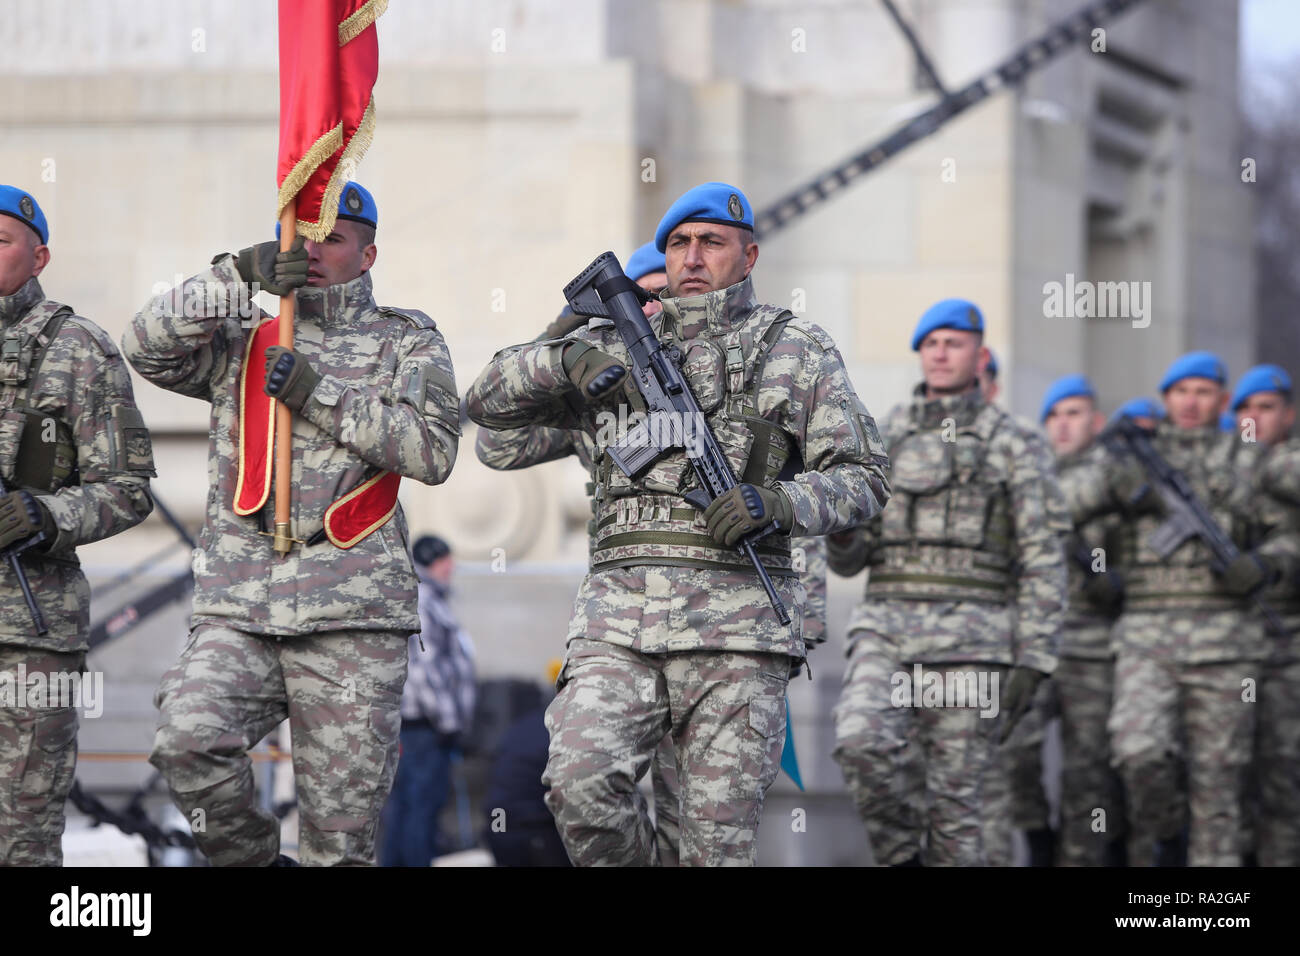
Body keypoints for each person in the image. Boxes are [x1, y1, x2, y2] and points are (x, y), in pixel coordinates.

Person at [467, 181, 890, 865]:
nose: (692, 257)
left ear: (748, 256)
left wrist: (778, 503)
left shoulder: (795, 348)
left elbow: (865, 477)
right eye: (679, 244)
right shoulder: (608, 344)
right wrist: (563, 351)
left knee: (711, 847)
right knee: (578, 786)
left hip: (737, 635)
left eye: (711, 242)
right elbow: (485, 411)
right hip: (617, 625)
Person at [124, 181, 460, 866]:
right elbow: (145, 344)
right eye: (299, 236)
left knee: (340, 840)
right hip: (241, 606)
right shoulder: (243, 338)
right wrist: (237, 273)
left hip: (353, 615)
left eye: (330, 238)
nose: (310, 251)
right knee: (187, 740)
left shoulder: (405, 340)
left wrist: (316, 392)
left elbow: (432, 451)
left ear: (367, 256)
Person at [828, 298, 1069, 866]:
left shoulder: (1016, 442)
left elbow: (1043, 557)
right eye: (931, 344)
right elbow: (850, 563)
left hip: (975, 644)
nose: (940, 353)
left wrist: (1035, 658)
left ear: (980, 356)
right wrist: (842, 535)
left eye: (953, 343)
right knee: (859, 743)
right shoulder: (881, 436)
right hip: (886, 631)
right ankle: (901, 858)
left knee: (956, 810)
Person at [1070, 351, 1298, 865]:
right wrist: (1112, 487)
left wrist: (1267, 564)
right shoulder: (1131, 457)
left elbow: (1289, 533)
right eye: (1181, 392)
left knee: (1219, 788)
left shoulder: (1248, 459)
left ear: (1223, 400)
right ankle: (1168, 831)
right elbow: (1058, 506)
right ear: (1165, 398)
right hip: (1146, 642)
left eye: (1203, 392)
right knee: (1137, 751)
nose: (1191, 402)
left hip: (1227, 648)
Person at [0, 185, 155, 866]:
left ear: (39, 258)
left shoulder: (79, 348)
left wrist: (46, 515)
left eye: (0, 241)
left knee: (22, 836)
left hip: (27, 635)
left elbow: (128, 489)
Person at [1038, 375, 1128, 866]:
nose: (1063, 424)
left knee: (1087, 774)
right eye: (1054, 415)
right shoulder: (1028, 472)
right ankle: (1035, 838)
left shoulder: (1117, 477)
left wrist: (1104, 572)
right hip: (1033, 642)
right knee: (1011, 753)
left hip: (1092, 644)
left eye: (1074, 414)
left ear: (1096, 421)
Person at [1230, 364, 1300, 866]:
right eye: (1245, 409)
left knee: (1281, 775)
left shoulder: (1284, 466)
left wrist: (1254, 462)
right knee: (1224, 777)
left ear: (1288, 415)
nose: (1254, 418)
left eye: (1266, 408)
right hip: (1225, 645)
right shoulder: (1218, 469)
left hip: (1286, 643)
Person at [380, 534, 476, 866]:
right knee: (421, 805)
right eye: (447, 559)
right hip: (424, 728)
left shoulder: (427, 597)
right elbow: (425, 667)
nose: (452, 567)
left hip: (421, 727)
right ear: (433, 560)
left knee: (409, 805)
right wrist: (449, 722)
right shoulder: (424, 599)